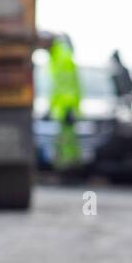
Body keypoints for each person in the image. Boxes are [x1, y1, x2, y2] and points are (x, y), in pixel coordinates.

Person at [48, 34, 82, 172]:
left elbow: (64, 87)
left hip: (65, 108)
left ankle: (68, 169)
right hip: (66, 108)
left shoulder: (61, 57)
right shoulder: (61, 57)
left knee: (67, 142)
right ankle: (69, 167)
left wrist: (66, 108)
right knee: (68, 140)